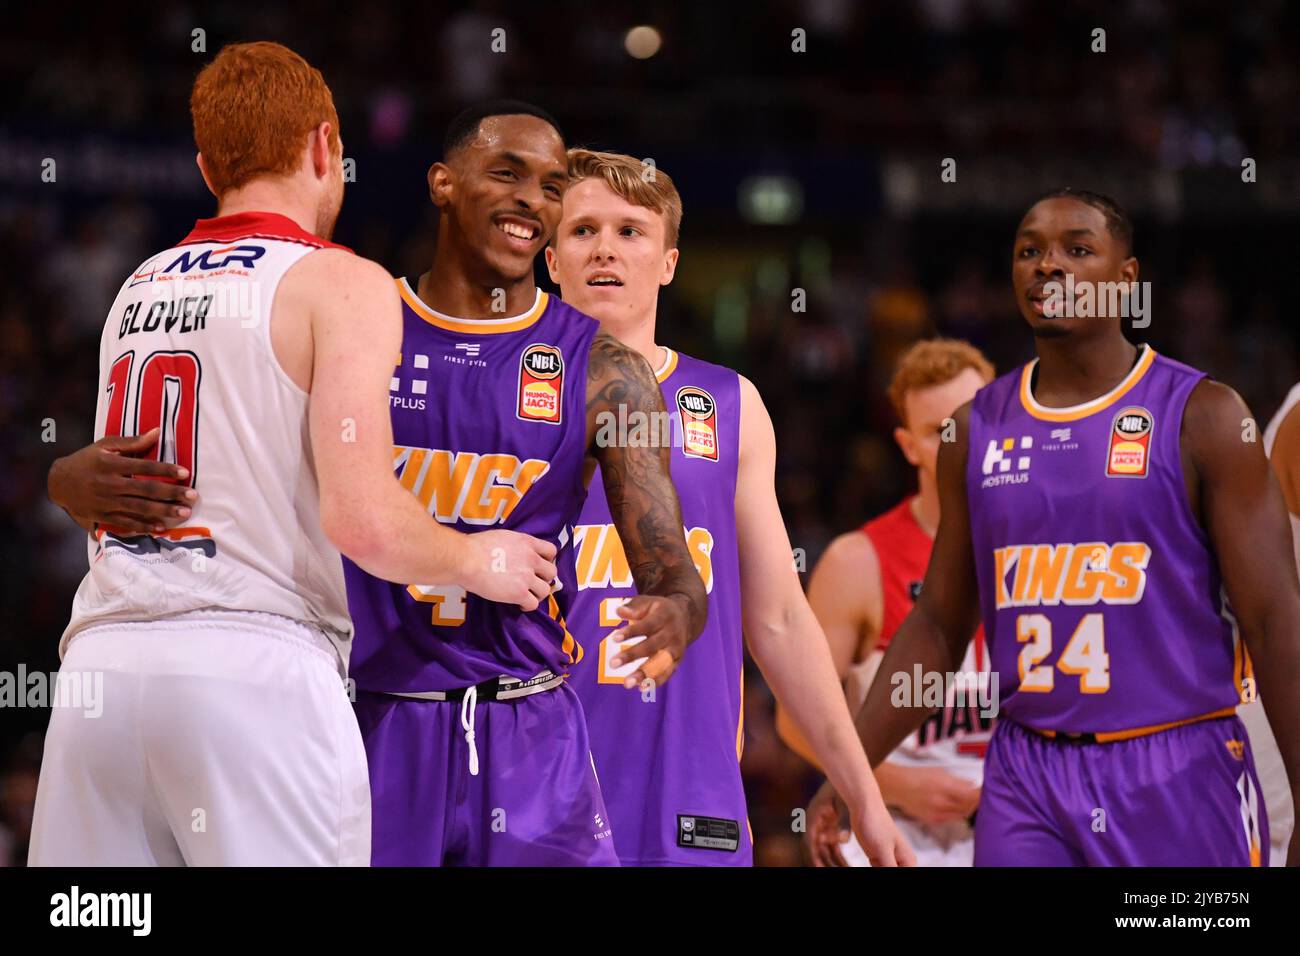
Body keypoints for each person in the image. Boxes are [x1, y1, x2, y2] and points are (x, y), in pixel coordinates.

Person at [32, 43, 554, 866]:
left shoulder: (141, 282)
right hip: (251, 669)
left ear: (209, 166)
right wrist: (475, 557)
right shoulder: (341, 283)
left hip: (100, 672)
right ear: (324, 147)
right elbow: (360, 518)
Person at [809, 188, 1300, 866]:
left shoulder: (1205, 415)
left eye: (1077, 249)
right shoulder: (972, 429)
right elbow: (939, 625)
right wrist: (852, 767)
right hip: (1025, 775)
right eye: (1029, 252)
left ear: (1126, 280)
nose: (1048, 266)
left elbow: (1275, 621)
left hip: (1176, 764)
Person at [548, 149, 913, 866]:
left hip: (691, 785)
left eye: (630, 232)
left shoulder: (730, 402)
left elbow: (777, 618)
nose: (605, 251)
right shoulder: (504, 391)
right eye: (582, 230)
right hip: (539, 771)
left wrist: (863, 794)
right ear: (551, 259)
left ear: (670, 262)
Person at [778, 339, 994, 866]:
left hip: (1017, 827)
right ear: (907, 445)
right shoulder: (859, 560)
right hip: (898, 831)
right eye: (937, 431)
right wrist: (892, 784)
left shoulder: (1046, 546)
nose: (958, 441)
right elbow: (794, 716)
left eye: (972, 420)